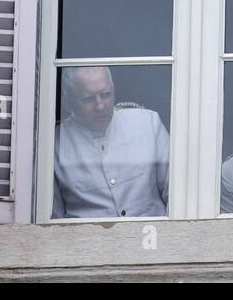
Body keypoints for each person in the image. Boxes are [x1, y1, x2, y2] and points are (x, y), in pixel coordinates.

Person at [52, 65, 169, 219]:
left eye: (106, 95)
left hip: (152, 237)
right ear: (69, 102)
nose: (100, 106)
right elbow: (53, 218)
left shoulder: (148, 124)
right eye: (88, 99)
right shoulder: (54, 144)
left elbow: (176, 194)